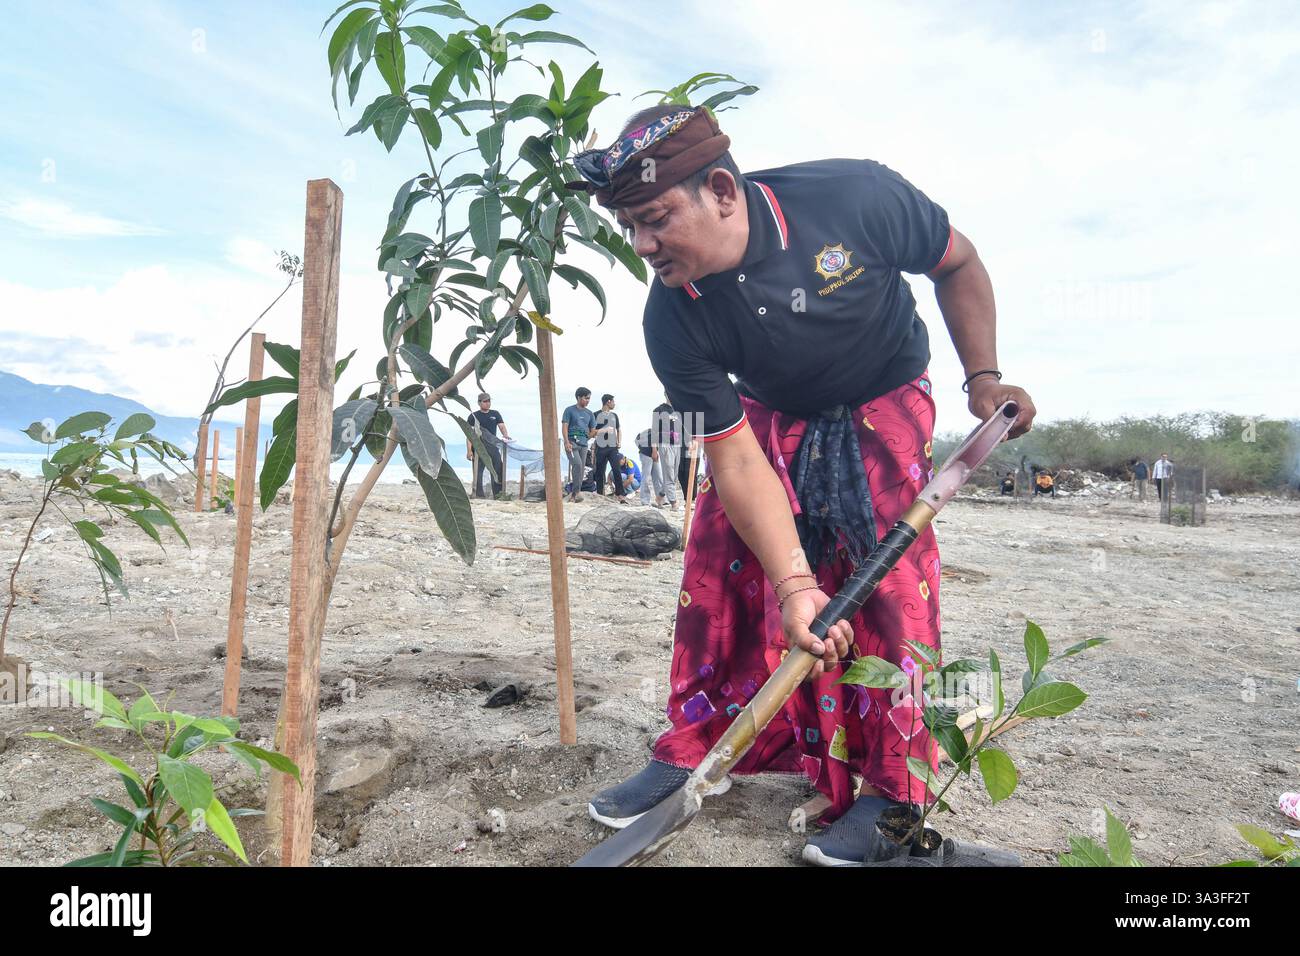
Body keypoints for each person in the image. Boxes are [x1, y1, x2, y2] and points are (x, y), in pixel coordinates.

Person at [570, 104, 1036, 865]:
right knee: (719, 562)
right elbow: (734, 458)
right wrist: (793, 585)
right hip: (768, 416)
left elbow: (958, 262)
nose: (641, 246)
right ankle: (698, 741)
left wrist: (982, 378)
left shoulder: (857, 198)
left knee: (889, 580)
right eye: (629, 227)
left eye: (654, 220)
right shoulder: (672, 315)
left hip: (883, 398)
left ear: (721, 189)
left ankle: (893, 799)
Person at [468, 392, 510, 498]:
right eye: (485, 401)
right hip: (478, 449)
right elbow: (468, 434)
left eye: (489, 401)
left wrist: (506, 436)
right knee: (478, 472)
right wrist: (469, 450)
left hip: (493, 447)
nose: (487, 403)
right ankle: (478, 494)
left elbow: (502, 427)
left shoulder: (495, 414)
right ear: (479, 403)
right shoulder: (473, 416)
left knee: (497, 469)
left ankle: (498, 494)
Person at [560, 387, 595, 503]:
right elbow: (565, 426)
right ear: (579, 397)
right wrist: (566, 441)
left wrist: (596, 433)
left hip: (584, 445)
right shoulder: (569, 410)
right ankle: (576, 492)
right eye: (586, 398)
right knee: (577, 464)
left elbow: (592, 431)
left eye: (589, 398)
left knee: (581, 469)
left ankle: (575, 493)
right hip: (571, 443)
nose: (588, 401)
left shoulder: (589, 414)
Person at [592, 394, 627, 503]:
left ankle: (621, 496)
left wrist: (619, 441)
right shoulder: (595, 415)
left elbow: (619, 429)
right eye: (613, 402)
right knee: (600, 472)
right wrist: (604, 430)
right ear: (608, 402)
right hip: (600, 447)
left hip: (612, 447)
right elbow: (592, 432)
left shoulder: (614, 415)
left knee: (616, 470)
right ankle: (600, 494)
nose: (614, 404)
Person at [650, 392, 682, 509]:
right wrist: (654, 449)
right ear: (665, 393)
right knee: (669, 474)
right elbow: (654, 430)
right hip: (664, 444)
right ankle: (674, 502)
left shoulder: (679, 408)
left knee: (673, 476)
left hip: (677, 445)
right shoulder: (658, 410)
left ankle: (659, 496)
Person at [635, 427, 662, 506]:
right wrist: (654, 451)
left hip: (653, 453)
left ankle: (661, 500)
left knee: (658, 476)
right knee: (646, 478)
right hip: (646, 453)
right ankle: (645, 500)